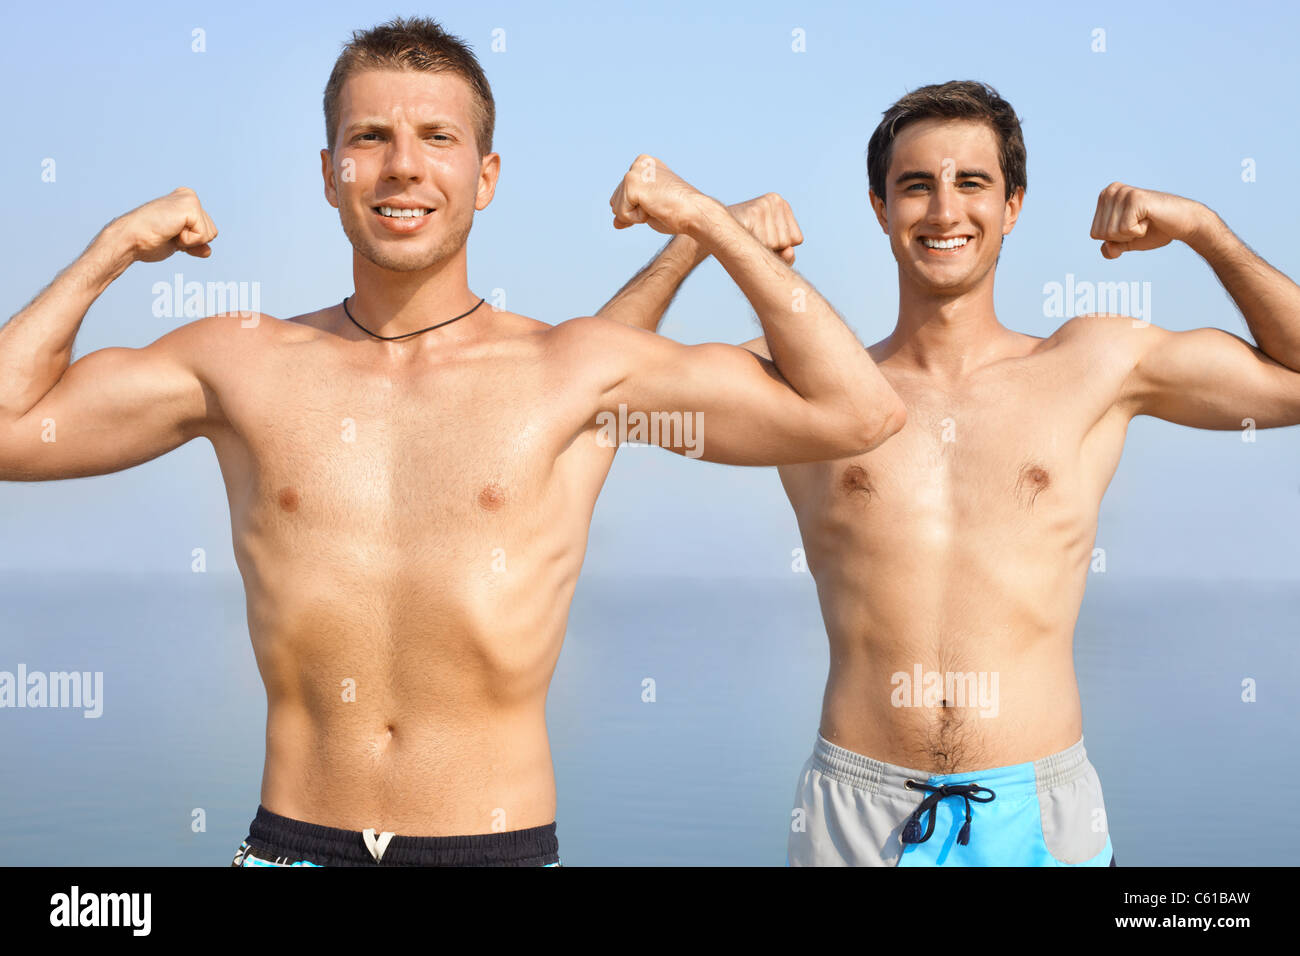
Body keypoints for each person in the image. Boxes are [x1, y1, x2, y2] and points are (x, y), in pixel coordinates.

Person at [0, 17, 905, 867]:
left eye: (438, 138)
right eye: (369, 139)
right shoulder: (240, 364)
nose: (403, 168)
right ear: (328, 173)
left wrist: (705, 222)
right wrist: (113, 246)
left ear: (488, 176)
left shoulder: (572, 369)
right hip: (292, 844)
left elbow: (857, 412)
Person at [598, 80, 1300, 866]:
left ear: (1014, 205)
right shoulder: (811, 394)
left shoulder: (1094, 364)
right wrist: (702, 233)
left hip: (1041, 815)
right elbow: (588, 394)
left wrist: (1206, 230)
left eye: (972, 183)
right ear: (879, 206)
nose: (943, 212)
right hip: (858, 815)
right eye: (914, 186)